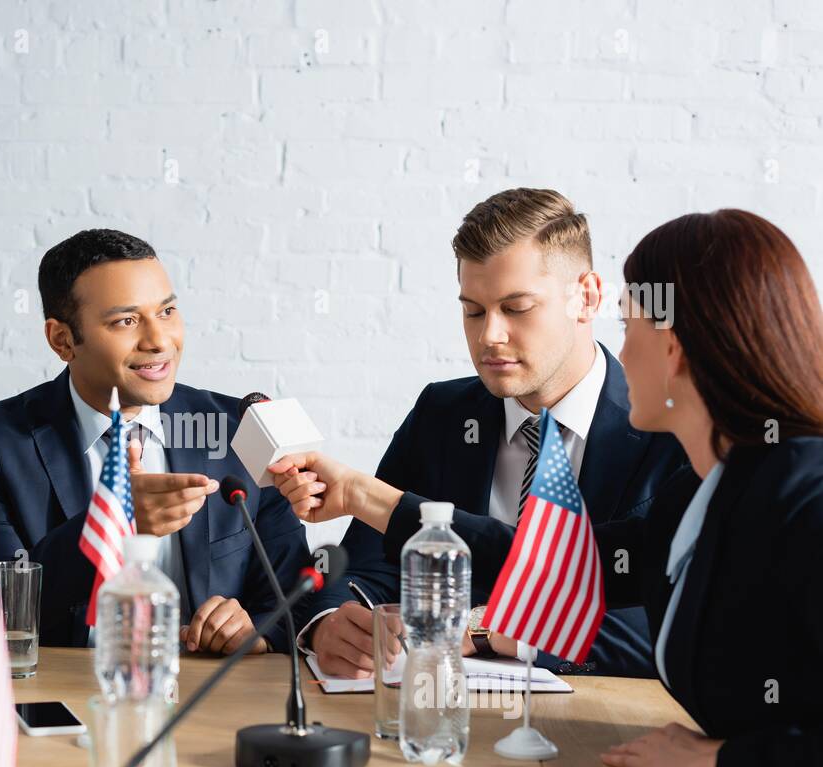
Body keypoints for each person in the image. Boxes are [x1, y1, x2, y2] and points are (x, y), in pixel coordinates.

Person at [273, 210, 823, 767]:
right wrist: (364, 495)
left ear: (674, 348)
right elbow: (553, 568)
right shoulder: (699, 498)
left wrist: (728, 762)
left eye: (628, 325)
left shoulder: (805, 501)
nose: (622, 350)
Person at [292, 189, 686, 680]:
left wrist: (488, 630)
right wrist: (330, 622)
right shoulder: (442, 413)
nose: (488, 337)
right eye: (473, 311)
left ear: (585, 298)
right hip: (442, 715)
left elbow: (668, 622)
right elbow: (365, 565)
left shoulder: (672, 424)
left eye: (516, 308)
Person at [0, 228, 309, 653]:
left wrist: (256, 630)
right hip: (63, 698)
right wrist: (112, 523)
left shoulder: (236, 428)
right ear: (62, 339)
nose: (159, 341)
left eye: (166, 311)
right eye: (126, 321)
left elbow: (294, 596)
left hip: (209, 699)